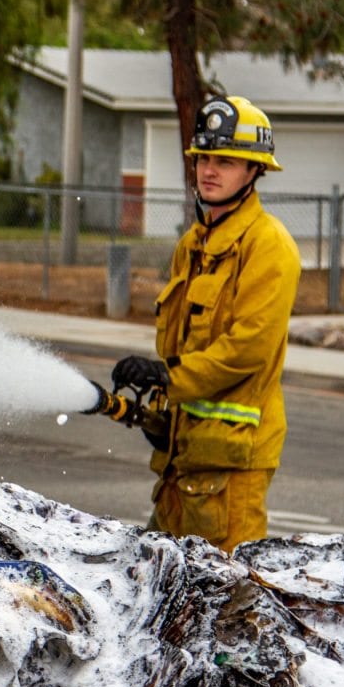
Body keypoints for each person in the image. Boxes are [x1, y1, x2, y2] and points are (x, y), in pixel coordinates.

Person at [111, 95, 301, 552]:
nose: (209, 171)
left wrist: (167, 377)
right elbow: (185, 346)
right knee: (155, 581)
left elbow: (247, 349)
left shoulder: (268, 245)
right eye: (204, 159)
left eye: (226, 162)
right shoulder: (192, 246)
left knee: (226, 591)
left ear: (254, 170)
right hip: (183, 460)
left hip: (231, 468)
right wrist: (161, 411)